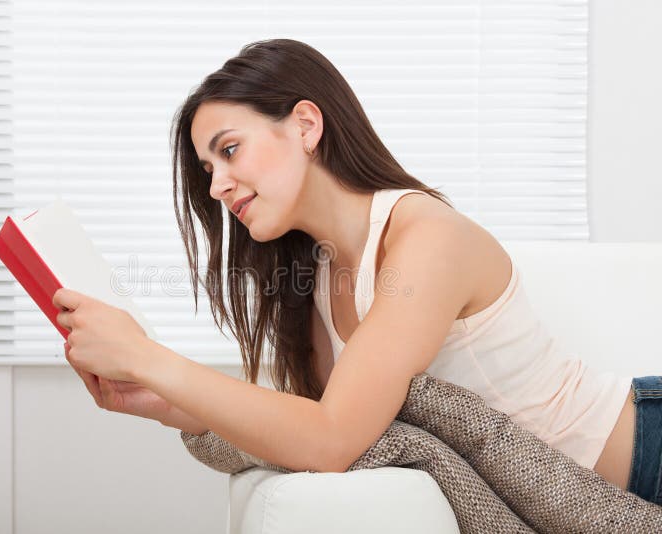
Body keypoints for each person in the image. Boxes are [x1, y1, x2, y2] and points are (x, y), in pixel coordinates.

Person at [50, 38, 659, 505]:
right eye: (208, 168)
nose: (217, 187)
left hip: (647, 453)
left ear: (306, 126)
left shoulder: (425, 236)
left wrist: (148, 357)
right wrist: (161, 400)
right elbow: (305, 426)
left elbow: (333, 438)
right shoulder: (315, 274)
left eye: (228, 149)